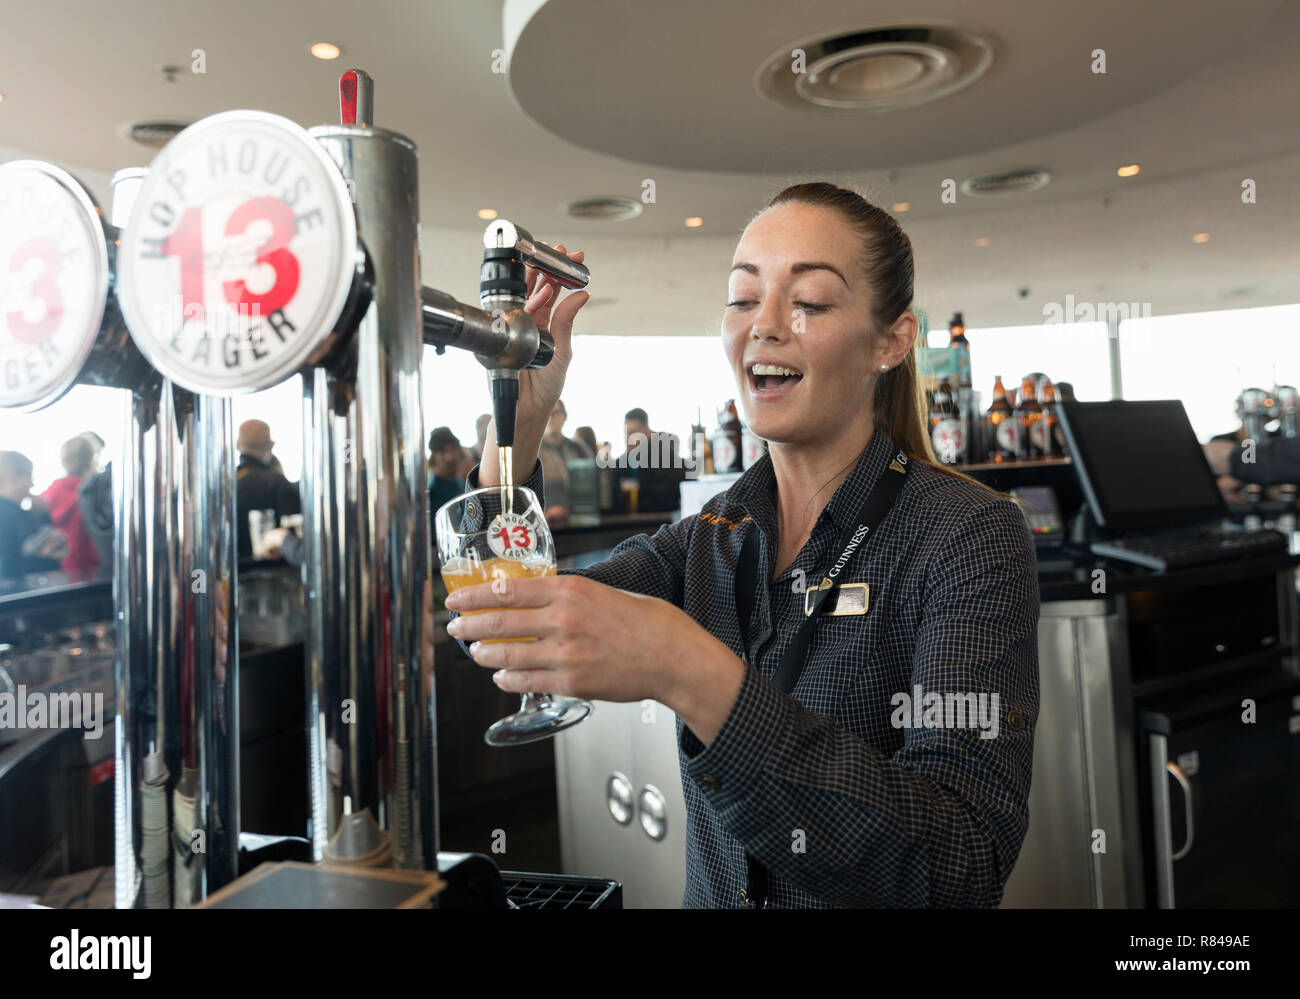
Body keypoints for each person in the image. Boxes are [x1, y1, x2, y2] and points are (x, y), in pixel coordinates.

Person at [443, 182, 1039, 908]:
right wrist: (516, 434)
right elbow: (502, 622)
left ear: (892, 340)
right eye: (742, 298)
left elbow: (961, 862)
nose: (765, 326)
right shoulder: (709, 538)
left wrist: (694, 672)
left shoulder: (965, 533)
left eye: (810, 302)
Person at [235, 420, 300, 559]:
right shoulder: (279, 483)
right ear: (271, 445)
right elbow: (295, 539)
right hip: (275, 572)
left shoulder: (225, 483)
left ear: (237, 445)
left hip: (233, 572)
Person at [41, 435, 100, 582]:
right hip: (94, 571)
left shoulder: (48, 494)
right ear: (92, 458)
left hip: (59, 571)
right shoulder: (95, 490)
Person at [0, 451, 65, 581]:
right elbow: (7, 569)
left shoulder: (21, 512)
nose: (32, 484)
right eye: (28, 476)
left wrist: (43, 515)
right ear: (9, 478)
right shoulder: (6, 514)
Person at [538, 399, 594, 526]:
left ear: (564, 416)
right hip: (546, 523)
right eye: (547, 412)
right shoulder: (532, 451)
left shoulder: (579, 448)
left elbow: (592, 483)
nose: (551, 417)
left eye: (556, 412)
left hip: (581, 520)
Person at [618, 408, 685, 513]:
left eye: (633, 433)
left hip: (659, 521)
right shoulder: (623, 462)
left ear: (648, 433)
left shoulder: (664, 457)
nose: (627, 439)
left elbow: (666, 496)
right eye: (626, 433)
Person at [427, 427, 465, 518]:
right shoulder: (432, 492)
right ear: (433, 457)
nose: (449, 457)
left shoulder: (459, 481)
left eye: (453, 449)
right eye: (442, 452)